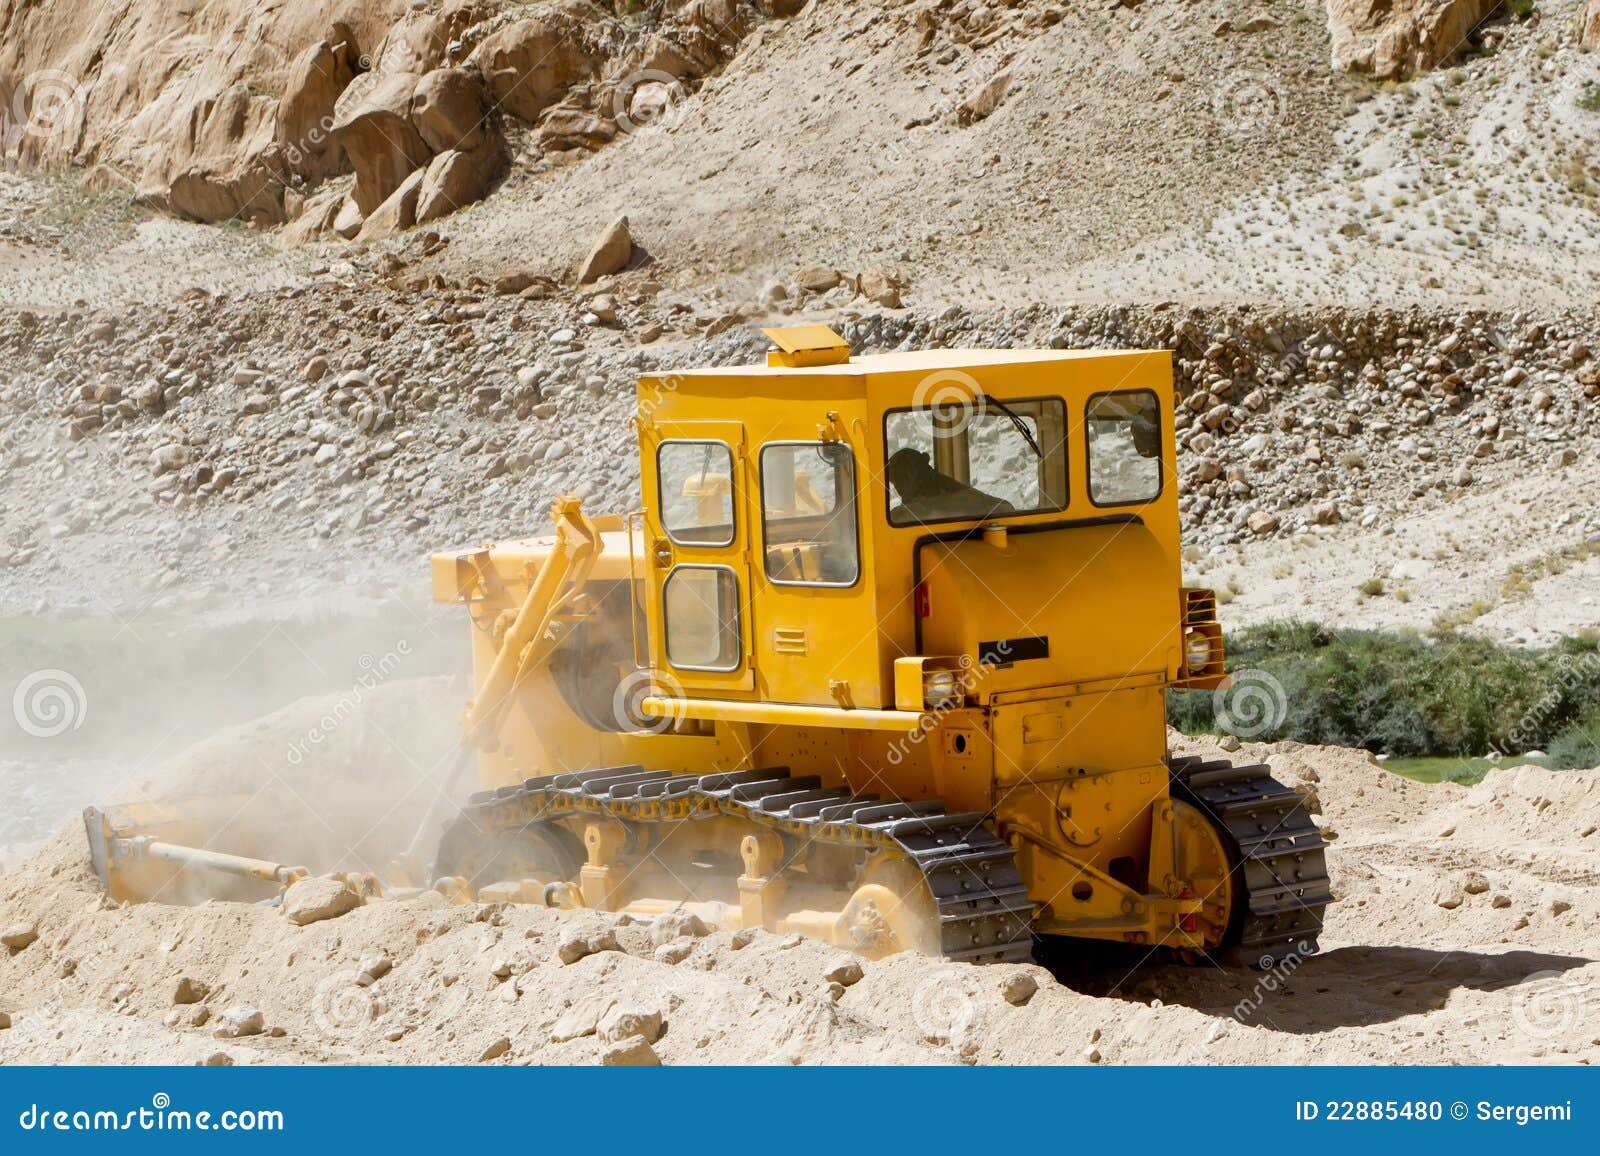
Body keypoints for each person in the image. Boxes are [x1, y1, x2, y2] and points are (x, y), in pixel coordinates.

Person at [886, 447, 1014, 524]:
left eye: (897, 482)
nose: (898, 489)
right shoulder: (977, 499)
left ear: (908, 478)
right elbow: (1007, 509)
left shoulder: (902, 517)